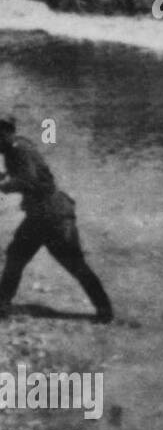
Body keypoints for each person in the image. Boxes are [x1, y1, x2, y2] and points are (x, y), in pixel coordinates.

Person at [0, 115, 112, 322]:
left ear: (4, 132)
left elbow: (28, 180)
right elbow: (29, 174)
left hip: (51, 216)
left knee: (73, 264)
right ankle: (2, 305)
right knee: (17, 257)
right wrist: (5, 178)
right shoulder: (17, 146)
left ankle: (105, 311)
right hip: (44, 215)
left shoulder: (18, 149)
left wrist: (4, 185)